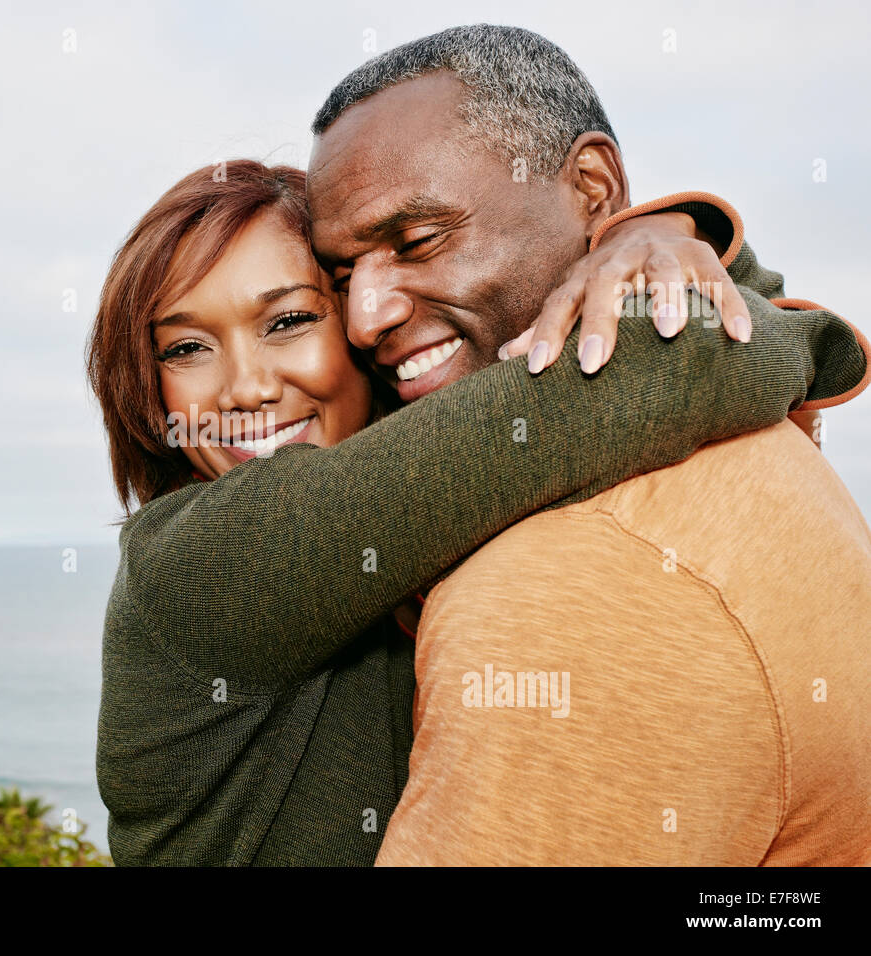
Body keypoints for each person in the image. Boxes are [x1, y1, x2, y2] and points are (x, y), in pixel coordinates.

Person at [88, 157, 866, 865]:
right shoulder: (196, 571)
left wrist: (651, 243)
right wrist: (750, 310)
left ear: (365, 324)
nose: (245, 389)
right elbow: (681, 358)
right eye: (185, 348)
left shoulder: (425, 523)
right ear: (145, 387)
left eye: (288, 321)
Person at [297, 24, 871, 865]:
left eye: (416, 242)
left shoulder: (564, 580)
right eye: (342, 278)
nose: (365, 317)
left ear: (593, 188)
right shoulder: (725, 440)